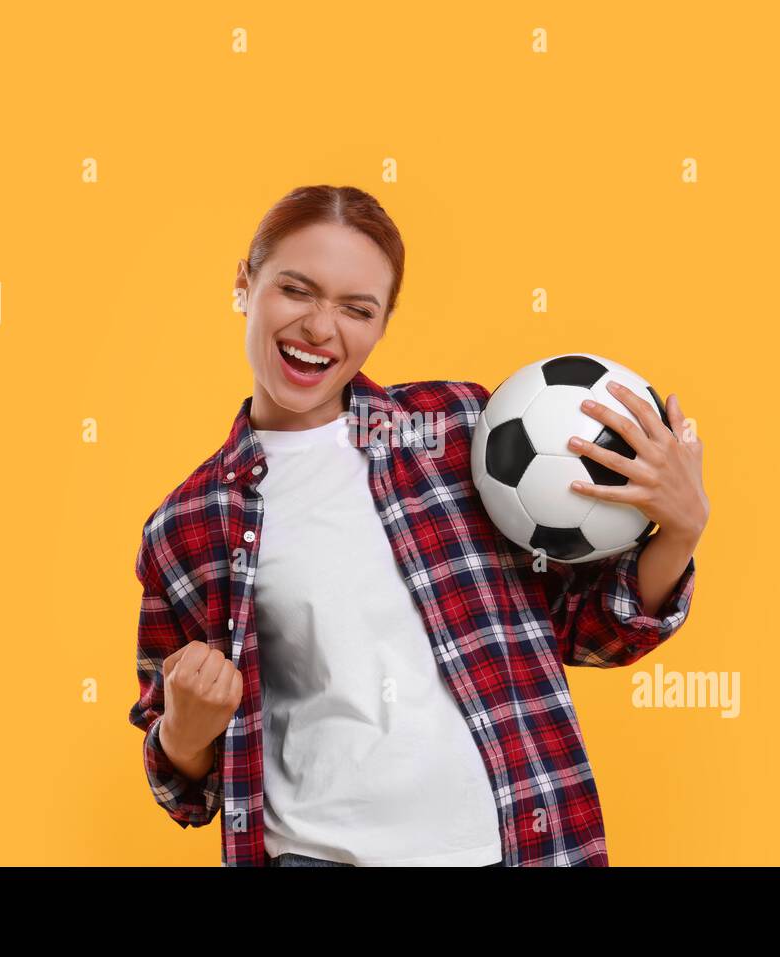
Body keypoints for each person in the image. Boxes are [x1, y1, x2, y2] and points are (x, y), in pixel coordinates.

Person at [128, 185, 709, 866]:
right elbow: (182, 790)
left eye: (356, 308)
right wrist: (185, 734)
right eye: (297, 289)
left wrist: (679, 532)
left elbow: (585, 628)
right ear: (244, 283)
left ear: (381, 324)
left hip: (516, 847)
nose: (320, 327)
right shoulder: (188, 524)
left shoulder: (461, 431)